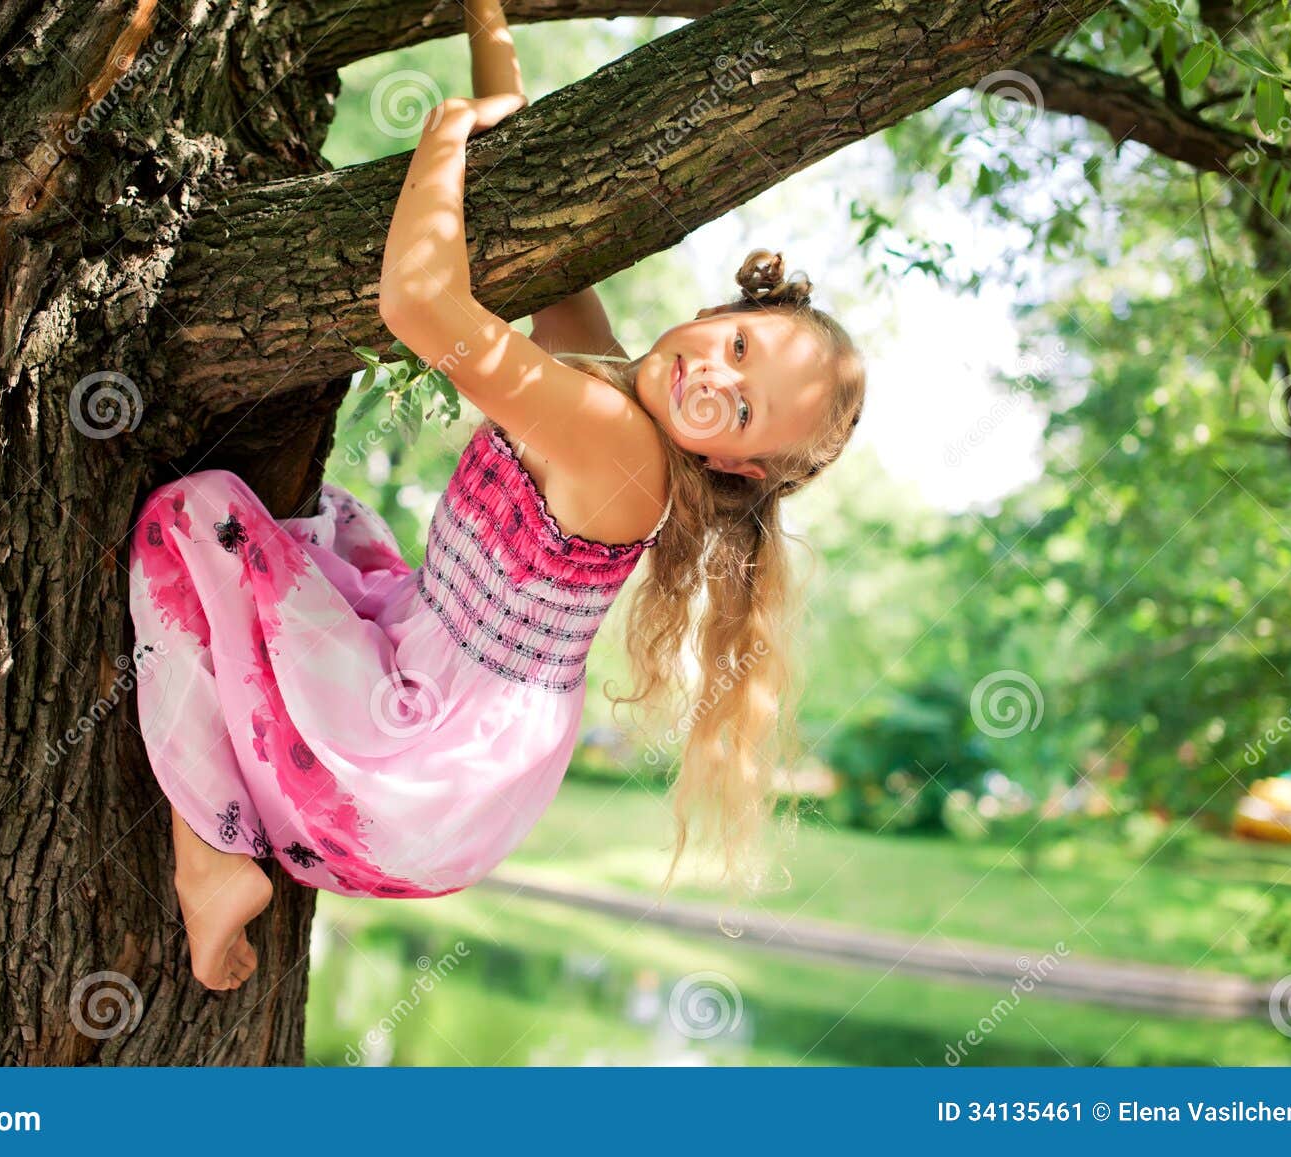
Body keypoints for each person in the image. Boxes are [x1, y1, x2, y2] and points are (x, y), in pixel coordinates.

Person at [128, 0, 866, 991]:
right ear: (713, 311)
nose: (716, 376)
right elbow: (529, 172)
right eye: (736, 346)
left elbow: (419, 304)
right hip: (434, 772)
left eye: (744, 409)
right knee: (327, 531)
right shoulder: (605, 384)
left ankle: (208, 850)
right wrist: (490, 33)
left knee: (195, 518)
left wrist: (442, 130)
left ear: (733, 467)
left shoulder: (616, 442)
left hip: (411, 761)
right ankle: (233, 834)